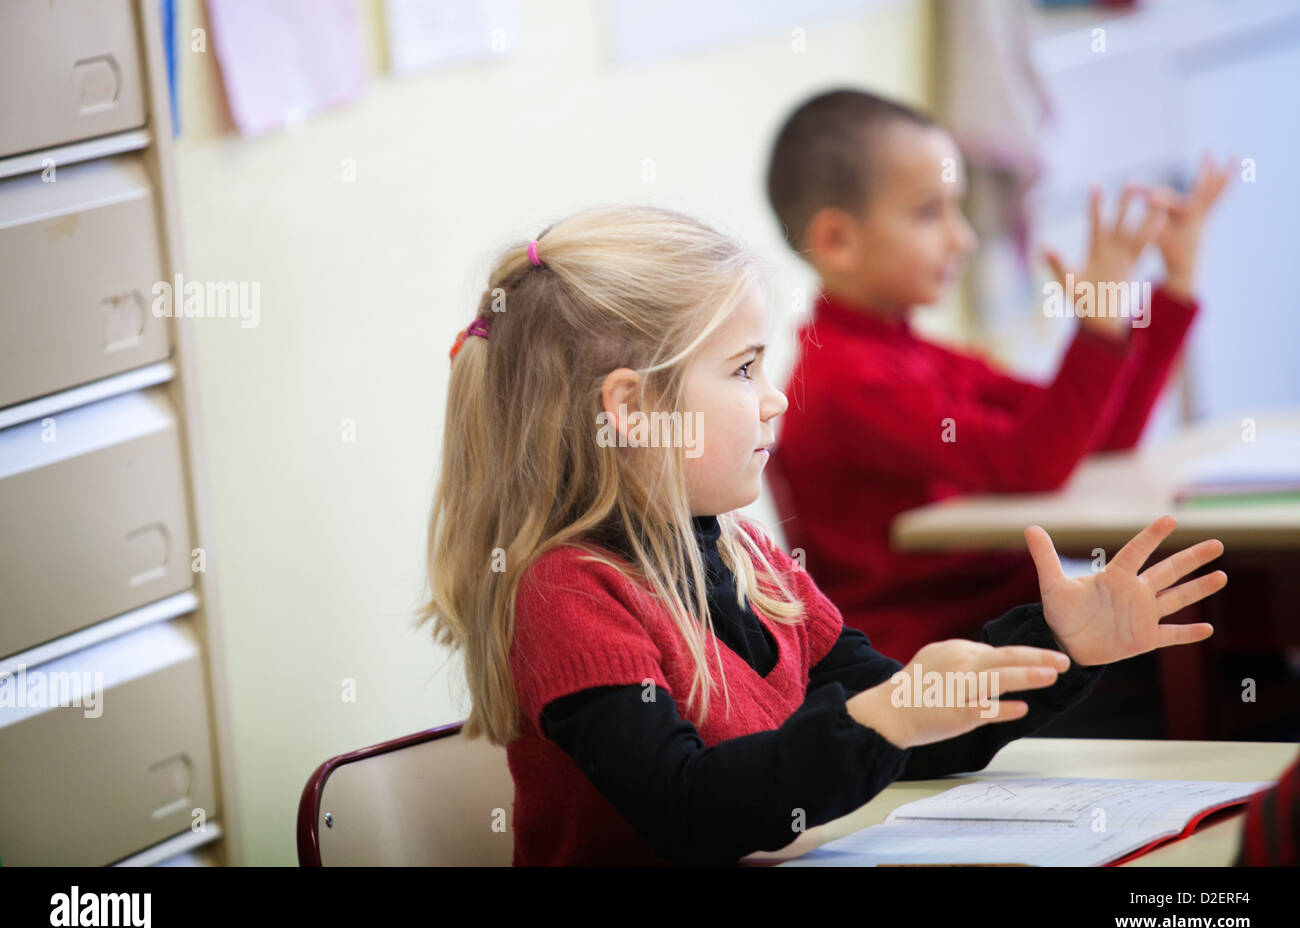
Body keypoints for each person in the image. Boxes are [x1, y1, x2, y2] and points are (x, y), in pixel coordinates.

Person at [418, 205, 1227, 866]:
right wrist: (888, 718)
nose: (773, 401)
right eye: (742, 371)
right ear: (630, 409)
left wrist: (1056, 644)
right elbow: (690, 810)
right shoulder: (567, 593)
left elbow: (911, 737)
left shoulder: (751, 559)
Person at [763, 88, 1231, 664]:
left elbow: (1099, 437)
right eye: (928, 212)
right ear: (838, 240)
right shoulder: (850, 380)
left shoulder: (915, 353)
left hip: (1007, 623)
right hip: (938, 659)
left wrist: (1172, 287)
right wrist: (1098, 331)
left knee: (1224, 623)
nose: (963, 237)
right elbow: (1034, 466)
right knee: (1218, 644)